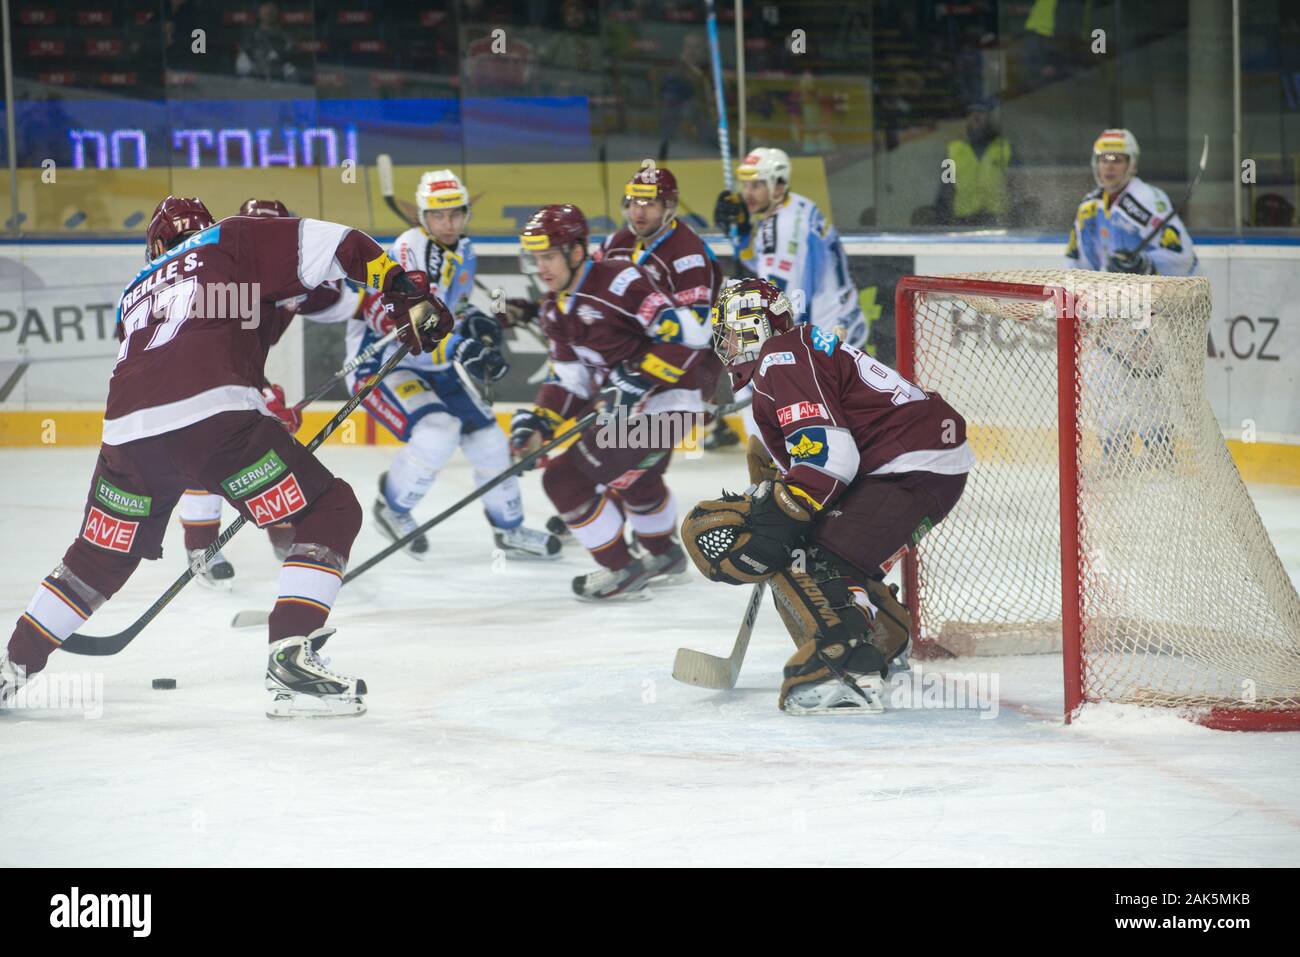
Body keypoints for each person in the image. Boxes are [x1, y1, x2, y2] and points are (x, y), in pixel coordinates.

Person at [1, 196, 453, 718]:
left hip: (126, 436)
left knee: (97, 558)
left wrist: (254, 401)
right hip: (215, 422)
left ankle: (13, 666)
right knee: (328, 510)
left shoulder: (134, 290)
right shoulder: (229, 238)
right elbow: (340, 244)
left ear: (153, 246)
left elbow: (173, 360)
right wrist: (403, 290)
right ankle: (289, 650)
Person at [680, 278, 973, 715]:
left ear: (757, 327)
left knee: (808, 555)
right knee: (818, 543)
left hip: (910, 464)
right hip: (916, 460)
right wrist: (780, 487)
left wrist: (780, 514)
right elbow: (825, 450)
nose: (725, 345)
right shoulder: (789, 355)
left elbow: (830, 460)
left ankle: (848, 666)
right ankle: (883, 638)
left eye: (731, 333)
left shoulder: (780, 356)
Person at [351, 170, 560, 561]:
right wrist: (463, 347)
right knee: (437, 431)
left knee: (490, 441)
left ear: (465, 214)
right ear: (423, 217)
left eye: (455, 214)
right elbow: (415, 324)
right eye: (438, 216)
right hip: (387, 363)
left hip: (433, 361)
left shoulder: (464, 250)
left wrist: (475, 321)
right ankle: (392, 507)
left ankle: (509, 528)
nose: (448, 224)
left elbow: (452, 308)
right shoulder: (407, 251)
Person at [509, 204, 713, 601]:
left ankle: (622, 568)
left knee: (563, 479)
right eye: (536, 258)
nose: (542, 268)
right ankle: (663, 554)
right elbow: (572, 381)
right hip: (633, 410)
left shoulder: (621, 281)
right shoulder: (554, 307)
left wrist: (637, 377)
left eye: (549, 256)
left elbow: (687, 337)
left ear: (576, 251)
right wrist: (538, 422)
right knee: (636, 480)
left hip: (669, 406)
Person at [175, 197, 359, 587]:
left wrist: (392, 304)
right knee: (208, 441)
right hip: (199, 387)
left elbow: (346, 303)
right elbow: (212, 358)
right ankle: (200, 546)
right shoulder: (224, 281)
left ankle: (289, 538)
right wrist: (264, 404)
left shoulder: (291, 278)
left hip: (239, 381)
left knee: (265, 458)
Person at [1064, 128, 1197, 276]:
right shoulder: (1089, 206)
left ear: (1132, 165)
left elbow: (1183, 259)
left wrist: (1144, 263)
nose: (1109, 166)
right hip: (1115, 295)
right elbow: (1076, 261)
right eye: (1104, 159)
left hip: (1161, 295)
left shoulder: (1147, 199)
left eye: (1117, 160)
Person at [932, 99, 1012, 227]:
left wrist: (1016, 215)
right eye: (971, 113)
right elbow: (946, 186)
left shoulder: (1004, 148)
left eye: (981, 112)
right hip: (964, 218)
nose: (976, 116)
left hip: (996, 217)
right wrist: (942, 220)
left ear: (989, 118)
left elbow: (1017, 182)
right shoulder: (953, 150)